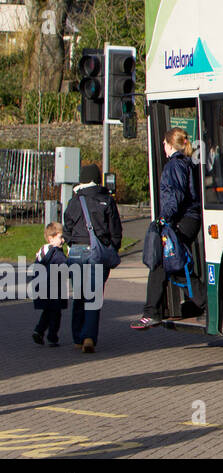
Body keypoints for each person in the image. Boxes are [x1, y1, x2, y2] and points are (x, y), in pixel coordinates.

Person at [135, 127, 204, 329]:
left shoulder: (174, 165)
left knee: (163, 262)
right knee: (173, 263)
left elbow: (175, 195)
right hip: (189, 219)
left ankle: (152, 312)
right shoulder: (187, 163)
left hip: (181, 220)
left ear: (169, 144)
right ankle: (199, 302)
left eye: (164, 144)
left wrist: (164, 219)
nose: (163, 147)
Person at [63, 163, 123, 353]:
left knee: (79, 296)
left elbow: (67, 229)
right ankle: (89, 336)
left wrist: (71, 242)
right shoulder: (107, 200)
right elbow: (115, 229)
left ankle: (77, 337)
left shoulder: (74, 201)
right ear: (97, 179)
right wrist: (112, 246)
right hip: (98, 252)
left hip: (77, 252)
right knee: (93, 296)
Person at [31, 222, 67, 347]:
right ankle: (52, 336)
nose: (63, 240)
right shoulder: (56, 253)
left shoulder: (42, 251)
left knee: (48, 310)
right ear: (51, 238)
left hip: (42, 286)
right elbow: (65, 266)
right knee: (56, 313)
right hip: (54, 287)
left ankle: (39, 331)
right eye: (60, 237)